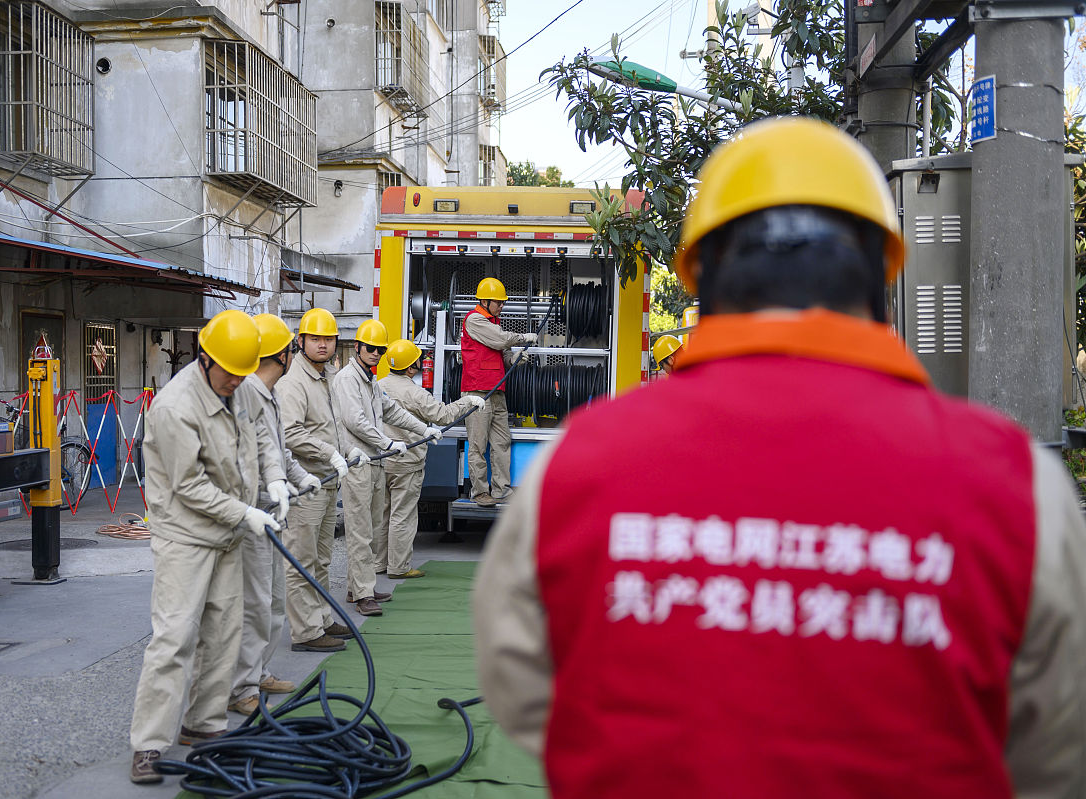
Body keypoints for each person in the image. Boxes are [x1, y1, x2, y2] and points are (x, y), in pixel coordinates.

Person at [474, 116, 1086, 798]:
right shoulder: (1019, 484)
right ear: (882, 268)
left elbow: (520, 688)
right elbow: (1055, 752)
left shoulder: (576, 466)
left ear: (699, 272)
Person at [128, 309, 290, 784]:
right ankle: (149, 745)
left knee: (224, 632)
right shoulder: (176, 407)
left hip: (229, 535)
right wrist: (247, 513)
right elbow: (189, 487)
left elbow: (261, 432)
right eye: (230, 374)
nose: (237, 384)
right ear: (205, 359)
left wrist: (276, 478)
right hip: (186, 536)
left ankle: (204, 725)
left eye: (243, 375)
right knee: (175, 638)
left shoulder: (237, 388)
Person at [227, 314, 323, 717]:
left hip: (270, 513)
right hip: (249, 515)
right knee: (254, 603)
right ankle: (241, 687)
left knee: (273, 600)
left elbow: (278, 451)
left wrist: (302, 478)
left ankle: (258, 671)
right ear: (283, 353)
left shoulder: (270, 393)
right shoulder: (246, 393)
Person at [332, 320, 438, 615]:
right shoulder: (347, 379)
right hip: (359, 464)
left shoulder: (370, 380)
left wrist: (423, 430)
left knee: (373, 526)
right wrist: (388, 443)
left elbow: (392, 410)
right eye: (371, 349)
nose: (376, 354)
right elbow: (355, 421)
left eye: (380, 349)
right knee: (361, 531)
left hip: (375, 463)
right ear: (358, 348)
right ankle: (364, 594)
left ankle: (359, 587)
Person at [277, 307, 361, 652]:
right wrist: (329, 452)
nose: (323, 344)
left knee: (323, 558)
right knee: (301, 561)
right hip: (305, 483)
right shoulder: (293, 382)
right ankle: (306, 631)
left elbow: (329, 425)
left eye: (328, 339)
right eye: (316, 339)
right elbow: (289, 432)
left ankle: (322, 618)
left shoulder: (325, 376)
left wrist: (346, 450)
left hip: (327, 481)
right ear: (301, 341)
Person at [379, 339, 485, 578]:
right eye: (418, 358)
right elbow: (442, 416)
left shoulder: (379, 385)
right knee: (402, 516)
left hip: (383, 461)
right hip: (407, 464)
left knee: (382, 514)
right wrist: (467, 401)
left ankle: (379, 564)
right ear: (410, 367)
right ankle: (399, 567)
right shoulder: (414, 392)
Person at [461, 277, 537, 507]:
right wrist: (523, 338)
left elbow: (501, 353)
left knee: (501, 442)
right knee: (477, 445)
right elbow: (500, 340)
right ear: (484, 301)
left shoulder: (493, 321)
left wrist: (514, 358)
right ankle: (480, 492)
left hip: (496, 391)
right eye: (498, 302)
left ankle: (502, 489)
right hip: (477, 393)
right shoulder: (475, 320)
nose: (502, 306)